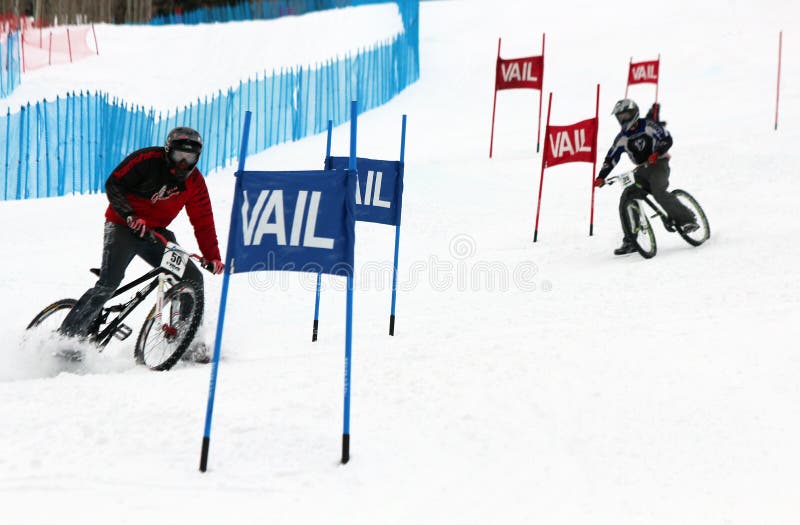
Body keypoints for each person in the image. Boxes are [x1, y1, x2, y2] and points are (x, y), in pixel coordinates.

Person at [59, 127, 224, 361]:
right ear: (167, 152)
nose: (183, 163)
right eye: (179, 156)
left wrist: (212, 256)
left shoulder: (195, 182)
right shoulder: (147, 160)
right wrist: (130, 216)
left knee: (192, 277)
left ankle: (187, 341)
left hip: (155, 234)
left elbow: (203, 220)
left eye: (190, 158)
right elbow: (114, 184)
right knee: (109, 283)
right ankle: (66, 339)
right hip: (122, 226)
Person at [593, 99, 698, 255]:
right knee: (627, 197)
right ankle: (631, 240)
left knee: (658, 191)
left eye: (625, 115)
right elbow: (611, 158)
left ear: (634, 113)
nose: (623, 120)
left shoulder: (649, 125)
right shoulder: (622, 138)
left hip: (659, 164)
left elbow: (666, 139)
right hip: (641, 170)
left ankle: (687, 220)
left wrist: (657, 152)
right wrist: (601, 176)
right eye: (620, 117)